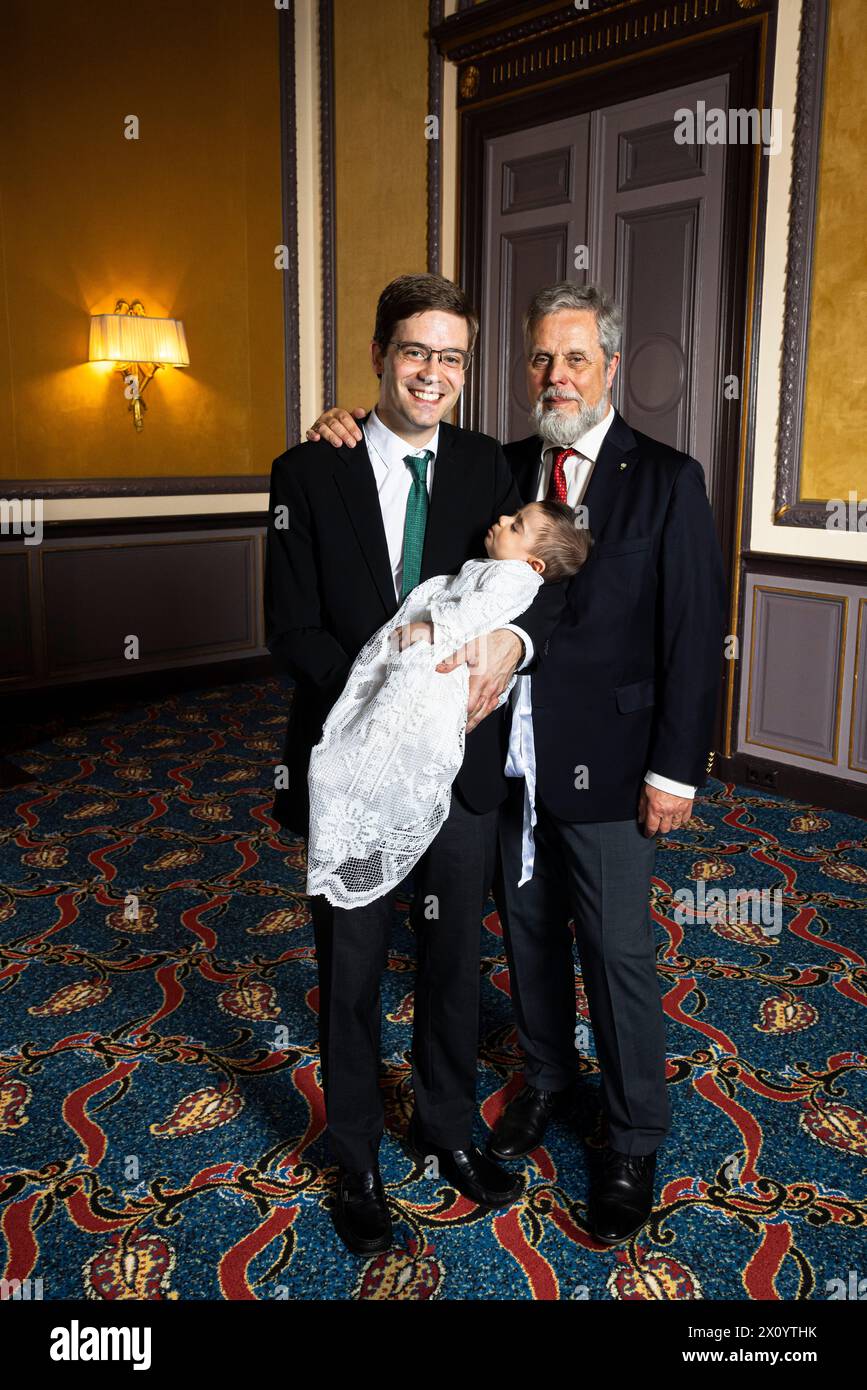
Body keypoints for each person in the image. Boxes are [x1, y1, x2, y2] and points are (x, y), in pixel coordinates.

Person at [305, 280, 727, 1246]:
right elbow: (442, 560)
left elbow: (692, 634)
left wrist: (677, 771)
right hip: (504, 766)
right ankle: (545, 1081)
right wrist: (341, 425)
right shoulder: (497, 470)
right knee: (528, 937)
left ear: (610, 367)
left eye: (576, 357)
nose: (556, 374)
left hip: (615, 767)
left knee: (616, 953)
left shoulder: (664, 477)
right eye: (540, 357)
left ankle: (629, 1139)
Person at [264, 273, 564, 1257]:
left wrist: (512, 647)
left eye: (451, 357)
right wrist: (381, 693)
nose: (431, 373)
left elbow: (548, 577)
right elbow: (289, 628)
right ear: (380, 357)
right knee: (349, 970)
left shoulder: (490, 464)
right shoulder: (309, 472)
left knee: (447, 961)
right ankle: (352, 1150)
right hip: (354, 767)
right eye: (414, 352)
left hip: (459, 770)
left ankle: (448, 1122)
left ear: (465, 369)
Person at [307, 501, 590, 909]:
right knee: (375, 727)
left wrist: (434, 626)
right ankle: (357, 799)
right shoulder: (496, 564)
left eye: (516, 526)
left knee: (403, 729)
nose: (502, 520)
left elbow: (479, 609)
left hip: (447, 662)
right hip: (435, 655)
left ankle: (375, 799)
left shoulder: (514, 577)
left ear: (534, 564)